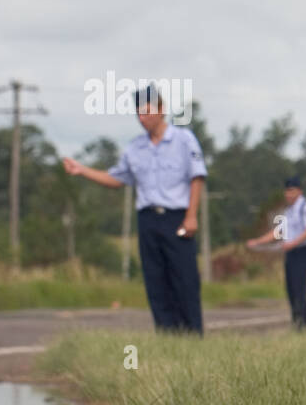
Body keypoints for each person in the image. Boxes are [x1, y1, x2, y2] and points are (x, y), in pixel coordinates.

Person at [63, 83, 206, 334]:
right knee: (155, 280)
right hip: (148, 220)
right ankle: (167, 335)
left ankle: (193, 335)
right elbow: (117, 179)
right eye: (139, 113)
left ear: (162, 109)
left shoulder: (184, 140)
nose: (143, 117)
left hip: (177, 218)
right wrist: (83, 170)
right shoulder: (134, 148)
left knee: (184, 279)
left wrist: (192, 216)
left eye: (148, 111)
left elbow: (197, 178)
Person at [247, 177, 306, 330]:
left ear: (299, 191)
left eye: (291, 190)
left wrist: (292, 243)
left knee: (300, 289)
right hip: (290, 253)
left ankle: (303, 325)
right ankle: (296, 323)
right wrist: (258, 241)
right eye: (286, 191)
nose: (288, 194)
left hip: (301, 252)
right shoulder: (288, 210)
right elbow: (278, 232)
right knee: (291, 289)